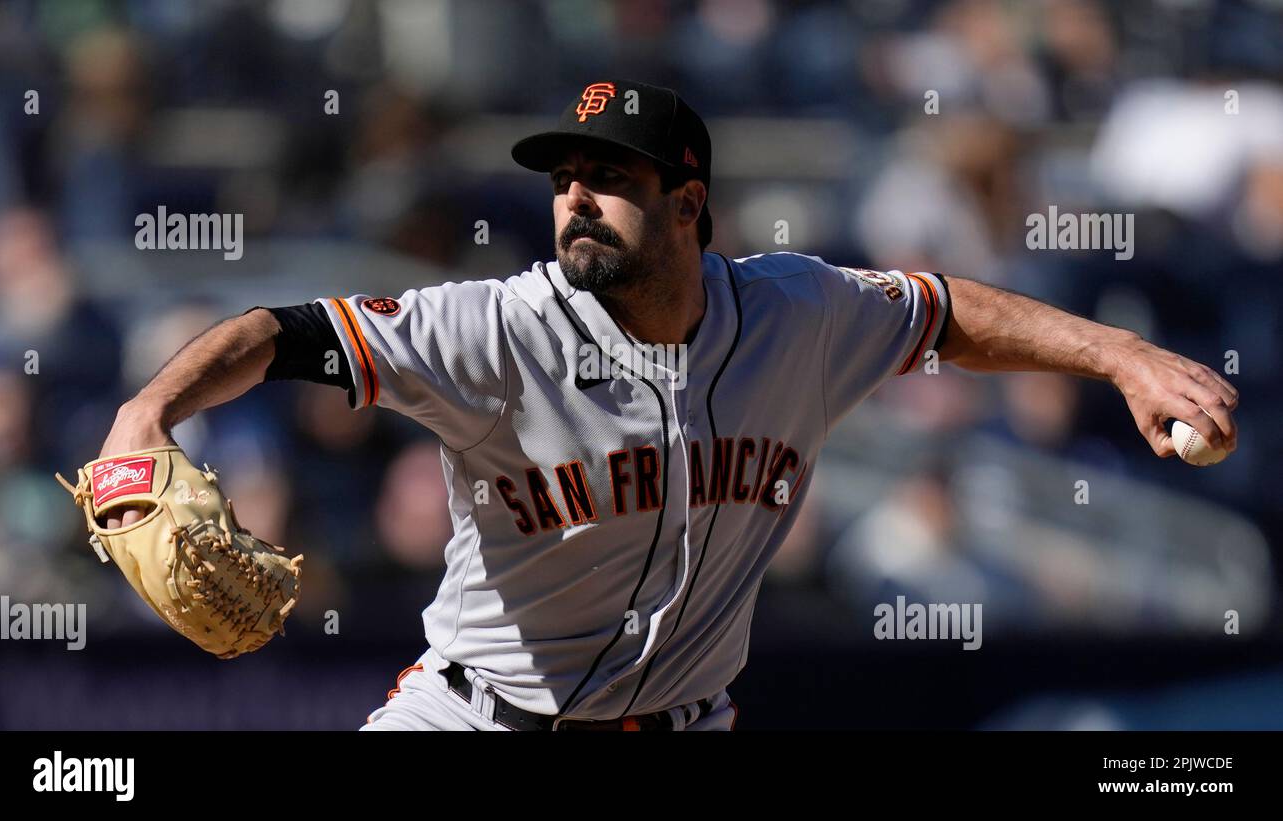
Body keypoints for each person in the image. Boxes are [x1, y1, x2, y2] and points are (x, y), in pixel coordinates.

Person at [96, 81, 1237, 731]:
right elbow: (276, 334)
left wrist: (1122, 357)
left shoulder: (798, 311)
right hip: (471, 713)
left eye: (610, 178)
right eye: (563, 180)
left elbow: (944, 311)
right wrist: (145, 417)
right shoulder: (495, 328)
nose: (577, 200)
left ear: (689, 203)